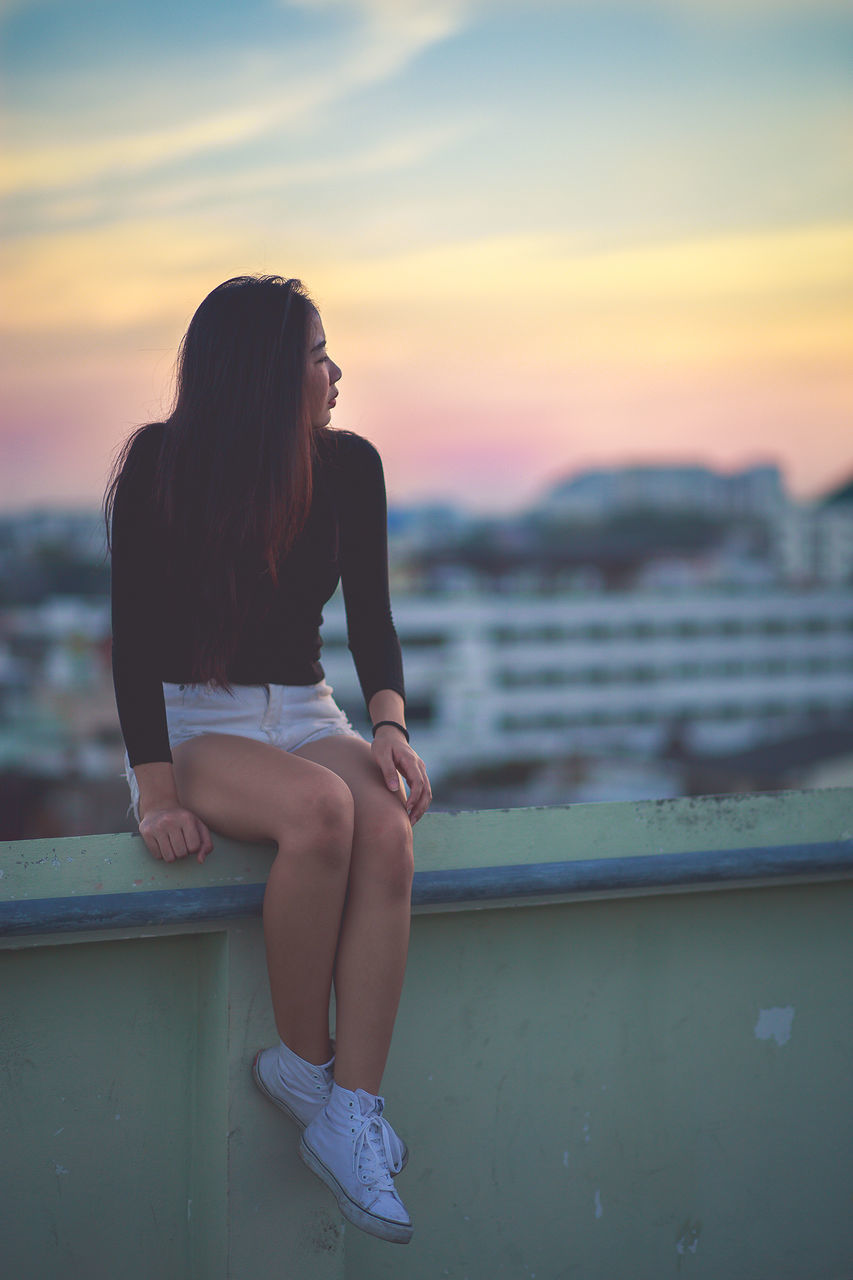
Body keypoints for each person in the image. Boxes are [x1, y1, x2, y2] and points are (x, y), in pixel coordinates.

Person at [104, 274, 431, 1246]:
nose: (336, 373)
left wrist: (389, 726)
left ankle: (350, 1106)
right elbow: (130, 635)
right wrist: (156, 791)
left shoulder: (351, 466)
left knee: (384, 817)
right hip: (197, 723)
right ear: (262, 372)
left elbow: (372, 615)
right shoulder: (162, 463)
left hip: (305, 710)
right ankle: (302, 1058)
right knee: (321, 813)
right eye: (318, 353)